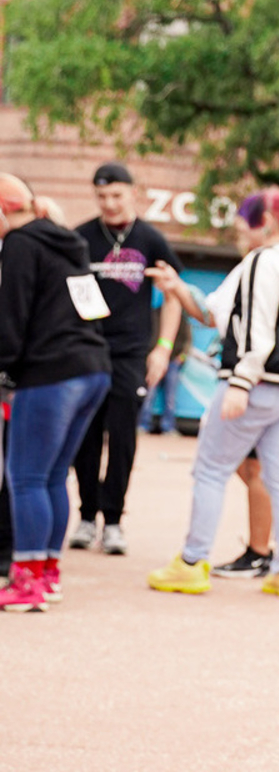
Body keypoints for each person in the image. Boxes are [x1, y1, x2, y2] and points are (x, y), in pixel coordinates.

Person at [144, 188, 279, 599]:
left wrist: (243, 380)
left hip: (254, 386)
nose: (239, 229)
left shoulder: (260, 262)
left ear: (263, 222)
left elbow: (247, 327)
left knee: (210, 469)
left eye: (244, 221)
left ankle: (192, 563)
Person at [0, 173, 113, 611]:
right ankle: (47, 575)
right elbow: (91, 307)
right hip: (92, 367)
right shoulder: (70, 244)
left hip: (51, 373)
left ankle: (26, 583)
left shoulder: (21, 245)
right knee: (51, 477)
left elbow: (11, 319)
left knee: (26, 476)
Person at [68, 162, 184, 556]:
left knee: (121, 438)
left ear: (134, 193)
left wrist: (164, 348)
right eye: (102, 196)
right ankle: (86, 517)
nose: (109, 203)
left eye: (117, 195)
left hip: (131, 353)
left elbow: (172, 295)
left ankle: (113, 520)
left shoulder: (151, 239)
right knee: (85, 436)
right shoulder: (81, 237)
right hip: (86, 350)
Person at [139, 308, 189, 435]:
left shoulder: (182, 318)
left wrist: (182, 356)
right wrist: (151, 354)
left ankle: (168, 427)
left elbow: (188, 340)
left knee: (170, 397)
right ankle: (142, 425)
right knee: (149, 394)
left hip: (173, 362)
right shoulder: (153, 314)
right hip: (155, 360)